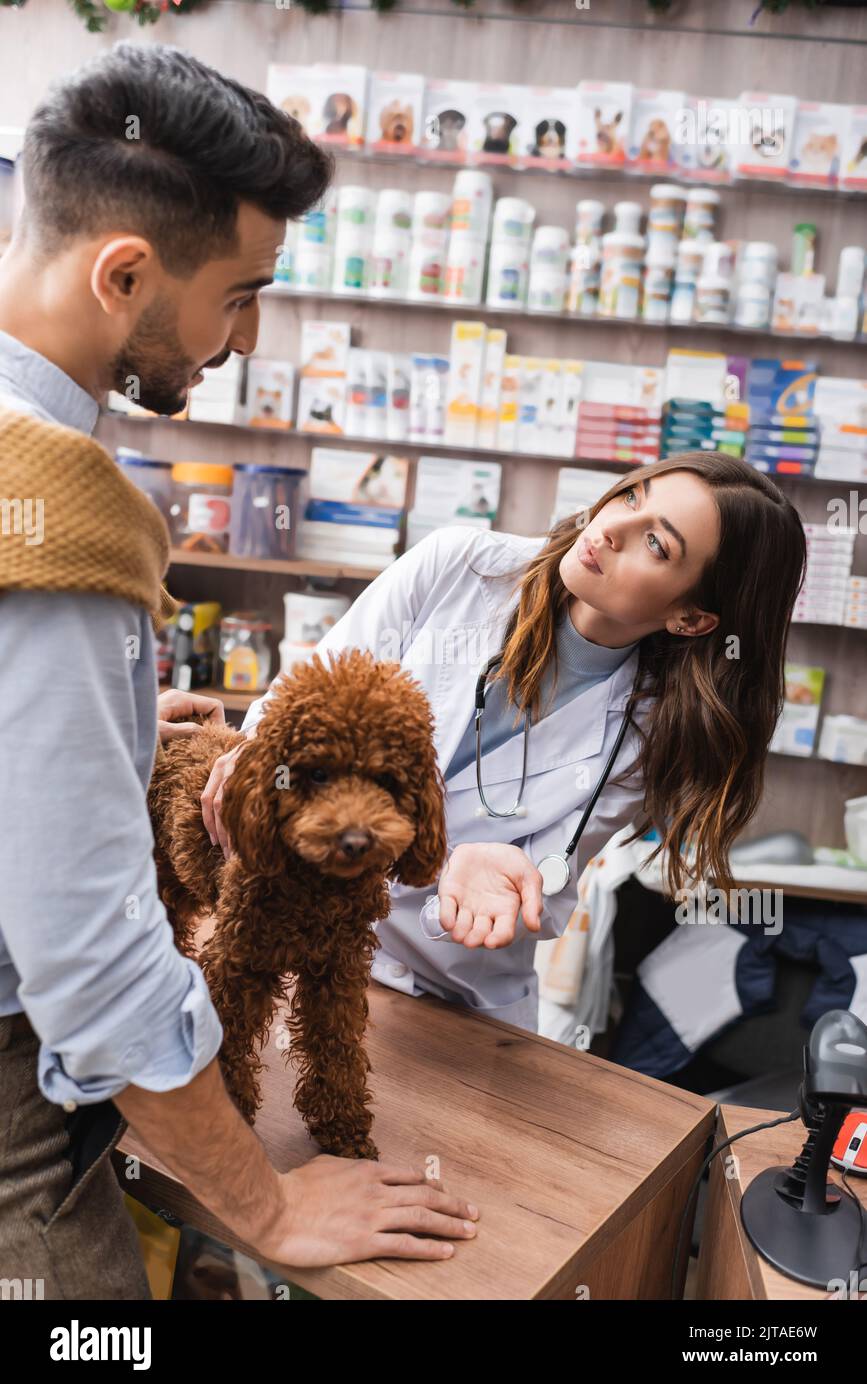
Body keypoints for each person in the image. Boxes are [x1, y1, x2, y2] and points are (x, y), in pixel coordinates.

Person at [0, 42, 478, 1303]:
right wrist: (262, 1199)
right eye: (243, 292)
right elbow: (88, 949)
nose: (246, 337)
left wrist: (81, 732)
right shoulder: (54, 506)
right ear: (125, 273)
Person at [204, 456, 807, 1032]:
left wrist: (490, 879)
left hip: (448, 999)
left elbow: (547, 876)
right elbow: (295, 709)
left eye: (657, 544)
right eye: (631, 495)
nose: (612, 526)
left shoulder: (652, 735)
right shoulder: (460, 567)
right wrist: (246, 756)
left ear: (691, 618)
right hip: (302, 943)